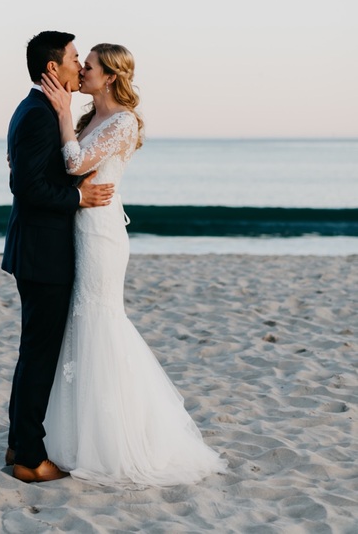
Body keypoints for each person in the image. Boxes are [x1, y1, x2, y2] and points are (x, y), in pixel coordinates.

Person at [40, 43, 228, 487]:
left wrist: (62, 113)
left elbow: (76, 162)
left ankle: (115, 438)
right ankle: (77, 432)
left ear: (109, 77)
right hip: (77, 227)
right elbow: (65, 168)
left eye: (89, 66)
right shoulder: (91, 119)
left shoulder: (122, 121)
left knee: (99, 318)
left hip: (100, 233)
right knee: (79, 322)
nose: (81, 71)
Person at [1, 31, 115, 483]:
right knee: (39, 355)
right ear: (53, 67)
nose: (78, 65)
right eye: (73, 57)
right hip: (42, 251)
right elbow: (26, 187)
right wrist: (78, 198)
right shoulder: (38, 114)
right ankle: (30, 458)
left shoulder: (40, 109)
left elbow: (36, 172)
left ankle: (19, 444)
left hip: (38, 248)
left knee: (34, 351)